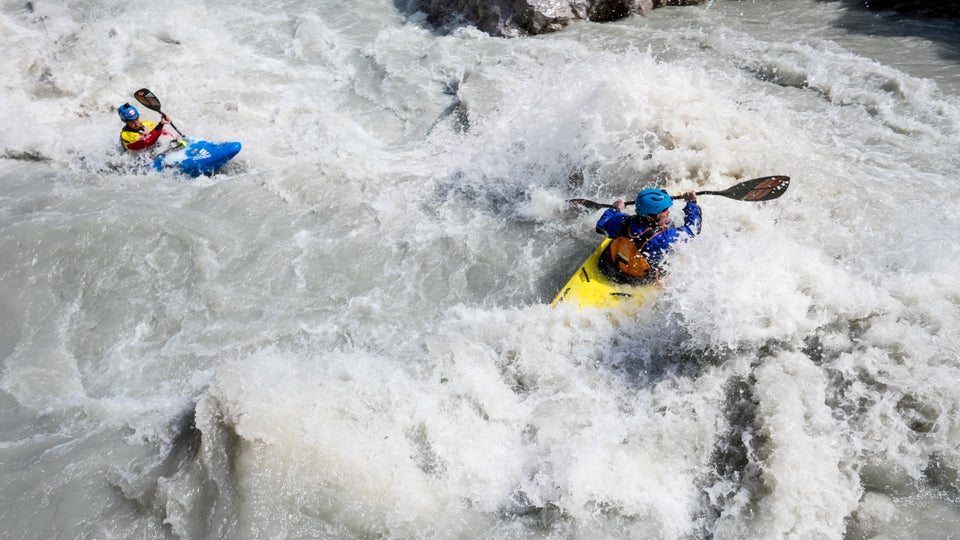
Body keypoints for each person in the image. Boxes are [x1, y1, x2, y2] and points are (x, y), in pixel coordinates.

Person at [595, 187, 701, 284]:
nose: (668, 212)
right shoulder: (664, 239)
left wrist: (615, 209)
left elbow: (600, 226)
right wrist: (691, 203)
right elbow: (693, 229)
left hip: (609, 266)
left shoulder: (620, 220)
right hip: (638, 280)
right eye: (664, 210)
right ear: (651, 217)